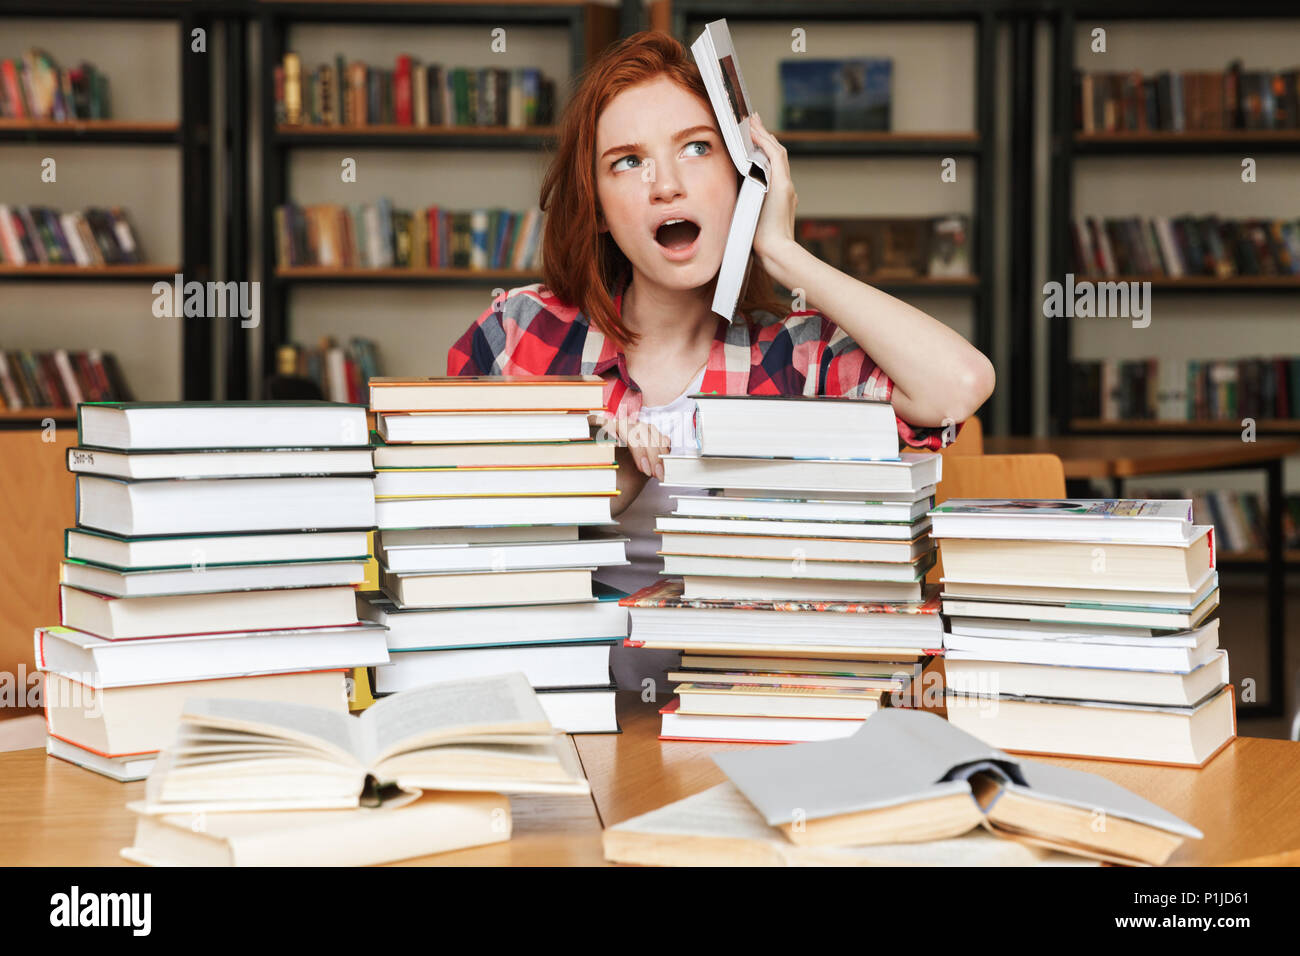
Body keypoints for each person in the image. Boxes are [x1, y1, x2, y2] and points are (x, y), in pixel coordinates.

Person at [448, 31, 995, 689]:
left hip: (749, 707)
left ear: (745, 176)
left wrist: (785, 253)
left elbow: (959, 384)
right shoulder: (516, 333)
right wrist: (594, 489)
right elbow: (448, 540)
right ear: (594, 208)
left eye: (697, 148)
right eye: (628, 162)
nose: (666, 186)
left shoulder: (798, 355)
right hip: (555, 707)